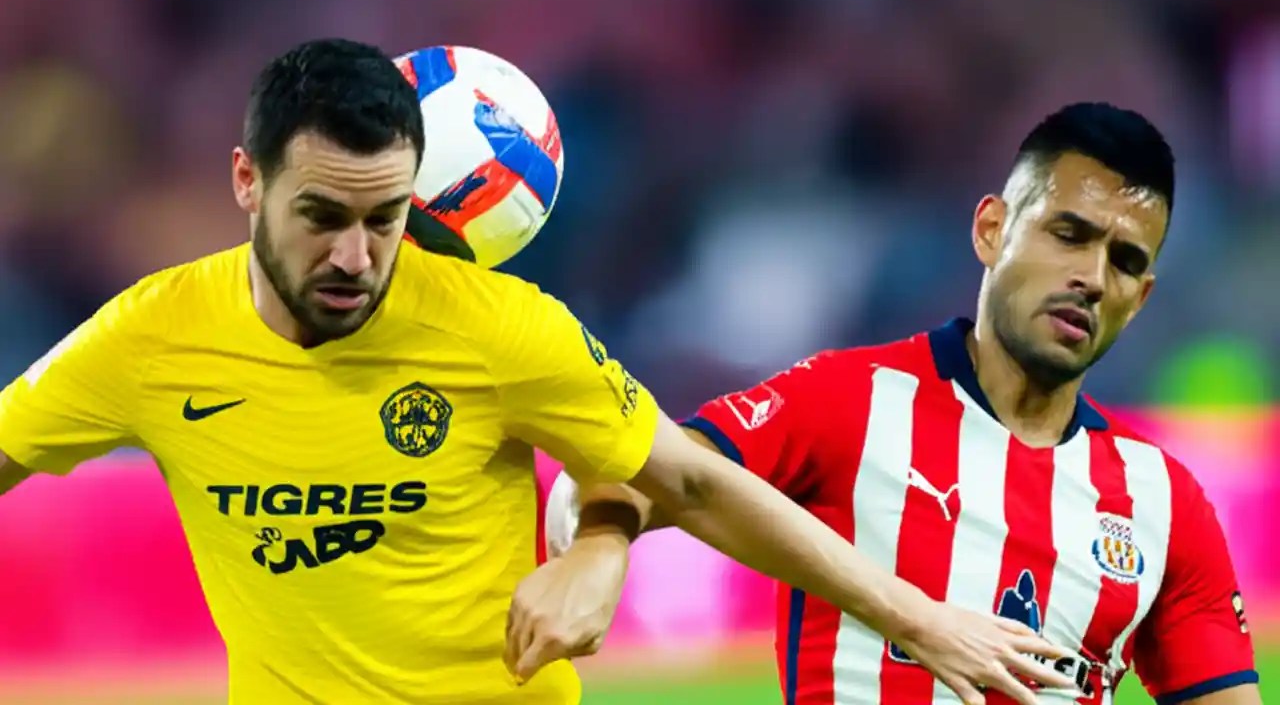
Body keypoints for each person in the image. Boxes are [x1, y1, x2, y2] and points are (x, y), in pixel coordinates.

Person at [0, 39, 1073, 705]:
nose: (355, 258)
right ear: (247, 182)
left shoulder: (495, 325)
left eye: (384, 220)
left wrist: (919, 622)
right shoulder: (150, 337)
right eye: (321, 218)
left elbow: (685, 474)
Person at [521, 102, 1262, 705]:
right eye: (1068, 235)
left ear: (1142, 298)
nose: (1092, 277)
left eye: (1125, 262)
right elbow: (647, 472)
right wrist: (599, 548)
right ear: (992, 229)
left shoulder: (1163, 503)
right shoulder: (852, 401)